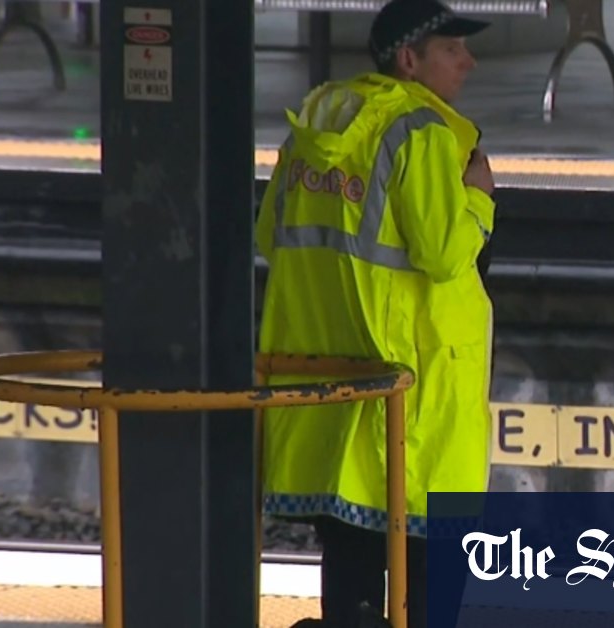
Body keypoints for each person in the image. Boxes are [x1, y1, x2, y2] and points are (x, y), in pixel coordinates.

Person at [254, 0, 497, 625]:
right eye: (450, 49)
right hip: (413, 396)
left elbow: (267, 237)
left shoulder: (315, 127)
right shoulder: (421, 132)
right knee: (423, 578)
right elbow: (444, 255)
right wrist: (479, 200)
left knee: (351, 567)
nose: (467, 62)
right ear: (409, 59)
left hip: (329, 394)